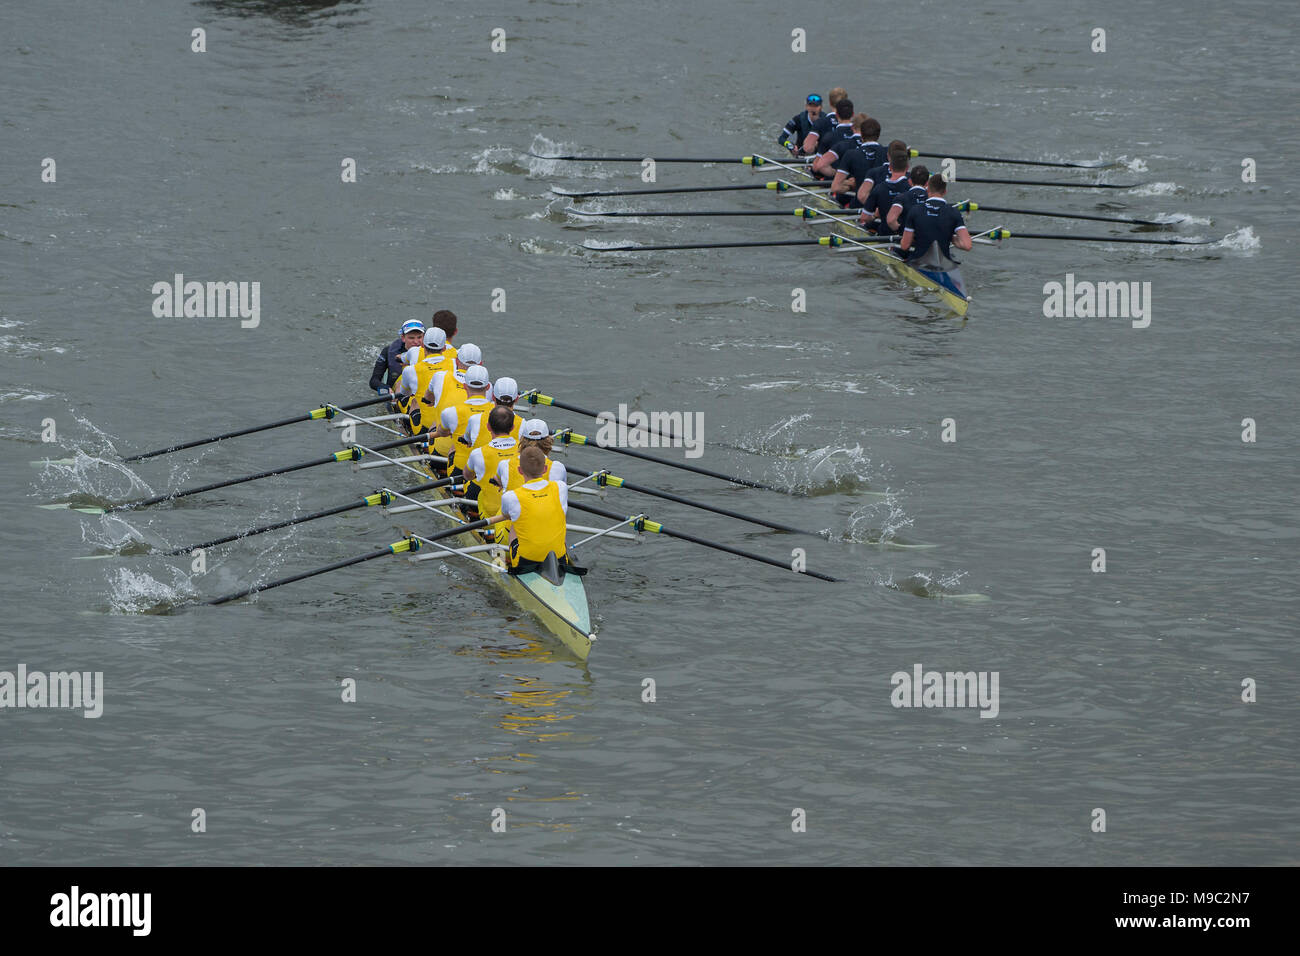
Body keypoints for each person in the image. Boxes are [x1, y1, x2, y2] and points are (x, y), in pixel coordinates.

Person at [487, 446, 581, 575]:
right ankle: (560, 560)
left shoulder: (511, 496)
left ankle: (511, 561)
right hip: (558, 557)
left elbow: (505, 515)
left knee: (514, 524)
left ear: (520, 471)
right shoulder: (560, 487)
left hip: (527, 561)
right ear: (545, 469)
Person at [898, 173, 973, 298]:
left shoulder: (915, 210)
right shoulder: (954, 212)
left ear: (927, 189)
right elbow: (967, 245)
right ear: (945, 191)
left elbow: (904, 246)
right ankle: (960, 296)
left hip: (919, 263)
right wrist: (951, 237)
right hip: (943, 266)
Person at [461, 405, 520, 521]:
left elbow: (467, 476)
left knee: (474, 484)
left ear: (488, 427)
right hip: (519, 512)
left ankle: (471, 515)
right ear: (512, 428)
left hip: (491, 515)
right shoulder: (524, 450)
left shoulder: (478, 453)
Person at [435, 363, 494, 476]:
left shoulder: (450, 412)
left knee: (454, 442)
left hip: (460, 471)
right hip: (488, 470)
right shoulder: (497, 412)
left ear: (465, 386)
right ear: (487, 387)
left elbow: (441, 433)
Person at [392, 326, 456, 418]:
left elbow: (405, 393)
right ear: (444, 348)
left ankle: (403, 421)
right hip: (451, 419)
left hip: (425, 426)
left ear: (422, 345)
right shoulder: (455, 364)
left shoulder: (410, 370)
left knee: (412, 399)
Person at [829, 117, 887, 207]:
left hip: (859, 206)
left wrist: (851, 186)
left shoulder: (850, 154)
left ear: (861, 135)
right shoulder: (888, 153)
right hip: (882, 207)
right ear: (878, 135)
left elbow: (835, 187)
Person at [859, 143, 912, 235]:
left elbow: (864, 217)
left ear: (890, 167)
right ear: (907, 167)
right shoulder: (913, 185)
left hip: (885, 233)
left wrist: (875, 215)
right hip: (908, 236)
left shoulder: (879, 188)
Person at [369, 320, 423, 395]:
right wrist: (385, 388)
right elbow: (374, 381)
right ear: (403, 338)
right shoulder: (388, 351)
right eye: (411, 338)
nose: (416, 342)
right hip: (398, 389)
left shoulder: (431, 351)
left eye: (419, 337)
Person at [809, 100, 858, 175]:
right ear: (853, 114)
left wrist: (836, 174)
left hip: (834, 181)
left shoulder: (829, 137)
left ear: (837, 115)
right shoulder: (862, 136)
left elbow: (816, 167)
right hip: (857, 179)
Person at [776, 94, 832, 158]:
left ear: (821, 107)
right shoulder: (798, 119)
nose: (813, 109)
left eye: (816, 106)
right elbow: (781, 138)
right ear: (806, 107)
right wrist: (790, 146)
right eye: (810, 106)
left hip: (820, 156)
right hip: (800, 155)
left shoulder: (828, 120)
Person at [886, 165, 931, 233]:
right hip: (926, 240)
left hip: (905, 239)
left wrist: (901, 231)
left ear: (910, 181)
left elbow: (891, 220)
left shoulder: (901, 198)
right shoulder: (931, 199)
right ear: (927, 183)